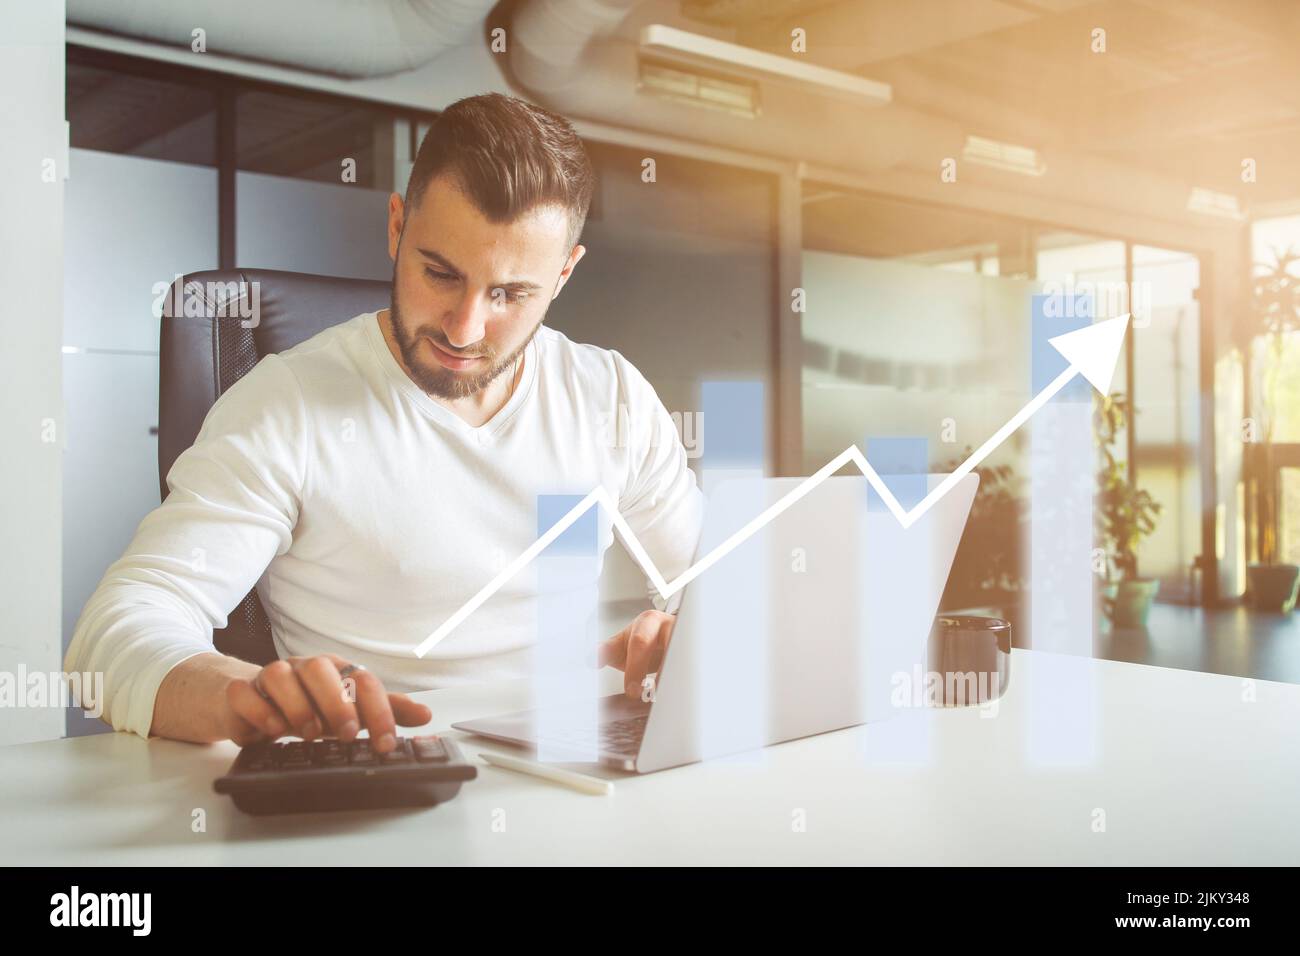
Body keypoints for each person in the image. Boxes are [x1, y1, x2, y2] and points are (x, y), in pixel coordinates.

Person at [65, 92, 704, 753]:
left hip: (578, 768)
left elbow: (727, 587)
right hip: (386, 778)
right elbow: (112, 635)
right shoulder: (287, 406)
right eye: (440, 273)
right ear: (397, 227)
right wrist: (245, 696)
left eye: (510, 294)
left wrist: (688, 633)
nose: (465, 327)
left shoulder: (611, 396)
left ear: (563, 274)